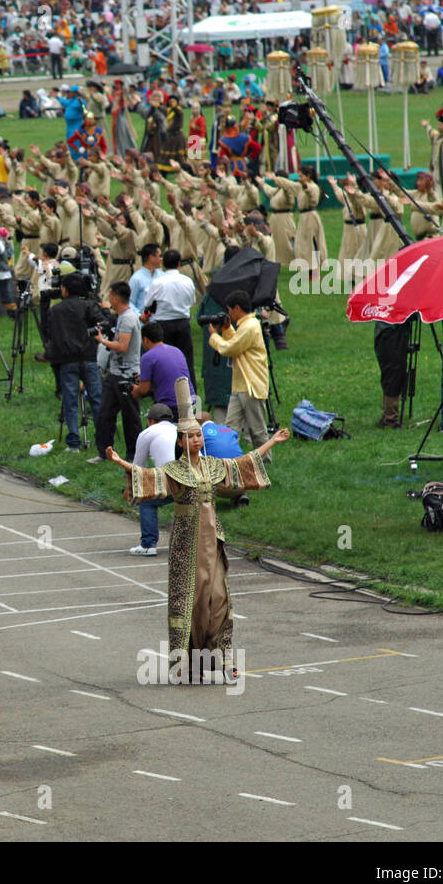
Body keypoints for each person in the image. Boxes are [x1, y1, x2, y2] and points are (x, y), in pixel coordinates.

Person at [107, 378, 290, 682]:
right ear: (180, 442)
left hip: (212, 538)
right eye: (189, 437)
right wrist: (119, 462)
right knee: (190, 599)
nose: (195, 440)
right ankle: (185, 663)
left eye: (197, 436)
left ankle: (224, 658)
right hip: (186, 540)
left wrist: (271, 442)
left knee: (218, 598)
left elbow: (241, 466)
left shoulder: (213, 466)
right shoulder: (174, 471)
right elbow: (149, 476)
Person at [207, 291, 271, 458]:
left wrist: (214, 336)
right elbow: (237, 344)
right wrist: (227, 329)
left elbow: (230, 348)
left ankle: (266, 462)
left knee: (257, 430)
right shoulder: (247, 325)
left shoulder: (250, 326)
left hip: (251, 385)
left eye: (230, 310)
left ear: (237, 308)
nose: (229, 314)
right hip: (241, 385)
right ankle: (228, 458)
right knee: (230, 428)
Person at [45, 271, 103, 451]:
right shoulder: (88, 305)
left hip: (67, 359)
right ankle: (103, 437)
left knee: (69, 401)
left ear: (64, 289)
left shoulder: (55, 310)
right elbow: (101, 323)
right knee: (96, 398)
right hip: (88, 357)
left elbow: (49, 334)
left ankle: (74, 441)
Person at [94, 281, 142, 460]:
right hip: (114, 374)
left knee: (131, 417)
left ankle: (134, 455)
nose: (109, 301)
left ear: (116, 297)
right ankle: (104, 452)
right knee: (105, 414)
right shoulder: (122, 316)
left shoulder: (128, 318)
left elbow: (122, 346)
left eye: (110, 297)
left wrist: (102, 341)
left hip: (127, 376)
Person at [127, 403, 176, 557]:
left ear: (152, 421)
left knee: (146, 500)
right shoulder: (181, 429)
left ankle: (148, 544)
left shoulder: (148, 433)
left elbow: (137, 469)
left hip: (172, 479)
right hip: (197, 477)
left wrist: (129, 490)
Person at [144, 249, 197, 389]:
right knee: (186, 362)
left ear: (163, 265)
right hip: (183, 323)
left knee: (163, 361)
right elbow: (192, 301)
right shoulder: (187, 281)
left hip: (163, 325)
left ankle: (164, 392)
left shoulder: (158, 283)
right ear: (179, 264)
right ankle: (191, 395)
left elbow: (147, 303)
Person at [133, 322, 191, 419]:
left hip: (170, 405)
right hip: (189, 401)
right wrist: (146, 378)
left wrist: (135, 390)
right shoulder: (176, 350)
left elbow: (143, 390)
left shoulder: (148, 356)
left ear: (145, 340)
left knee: (153, 430)